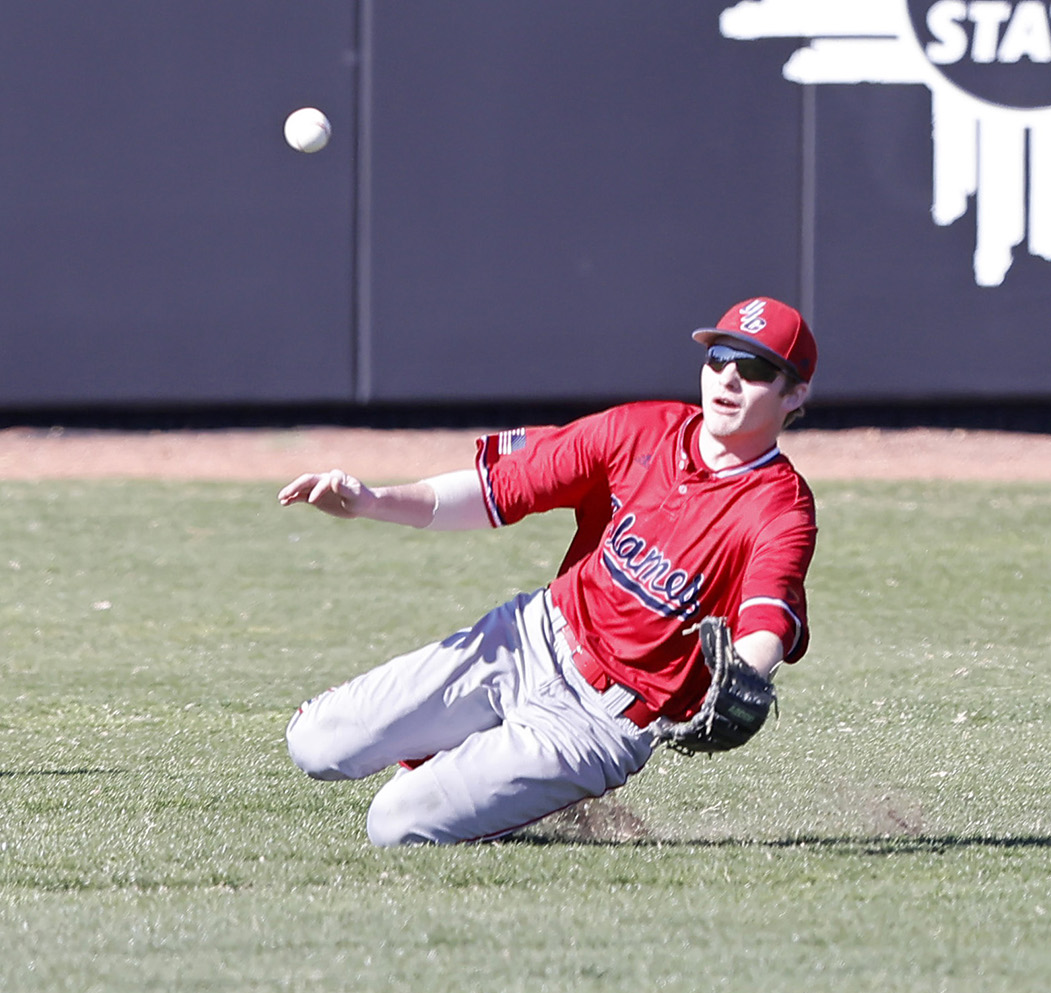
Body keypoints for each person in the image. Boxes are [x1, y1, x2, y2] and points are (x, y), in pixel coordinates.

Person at [278, 297, 819, 846]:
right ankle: (465, 756)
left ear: (794, 394)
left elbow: (766, 617)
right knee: (313, 744)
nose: (728, 379)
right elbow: (495, 493)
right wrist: (370, 500)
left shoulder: (780, 507)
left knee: (394, 826)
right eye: (719, 358)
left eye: (753, 369)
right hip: (528, 638)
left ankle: (526, 788)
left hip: (598, 721)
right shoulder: (642, 430)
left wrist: (748, 676)